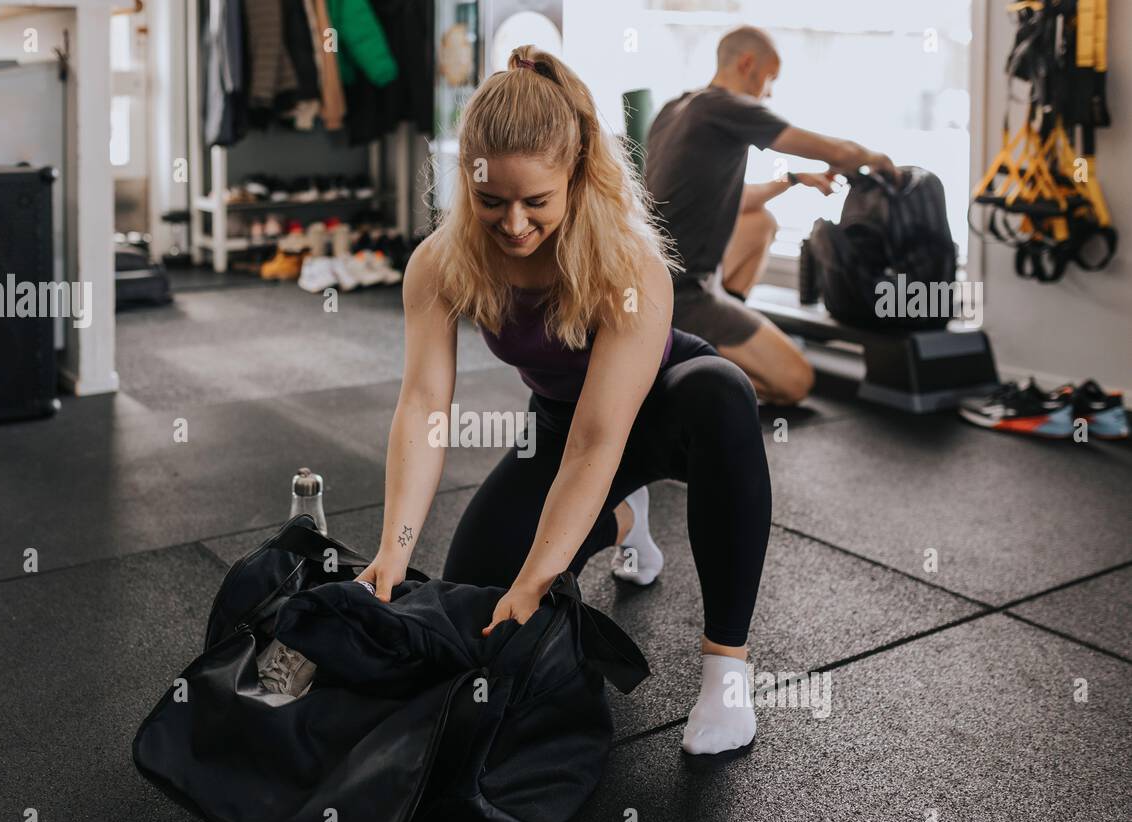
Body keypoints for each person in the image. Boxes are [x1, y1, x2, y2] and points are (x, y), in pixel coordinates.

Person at [339, 45, 773, 758]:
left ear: (575, 175)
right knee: (479, 591)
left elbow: (600, 441)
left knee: (724, 394)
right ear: (467, 180)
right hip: (559, 426)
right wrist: (395, 546)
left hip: (661, 412)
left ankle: (727, 673)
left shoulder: (628, 263)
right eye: (491, 201)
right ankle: (628, 514)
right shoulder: (442, 262)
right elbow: (423, 404)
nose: (512, 224)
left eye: (536, 202)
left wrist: (545, 574)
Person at [646, 25, 900, 405]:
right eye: (770, 78)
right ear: (748, 64)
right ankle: (686, 375)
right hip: (682, 295)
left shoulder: (676, 108)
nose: (770, 91)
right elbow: (834, 150)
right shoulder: (727, 107)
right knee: (797, 381)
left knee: (761, 223)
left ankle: (696, 349)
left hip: (652, 282)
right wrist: (875, 159)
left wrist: (794, 180)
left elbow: (728, 200)